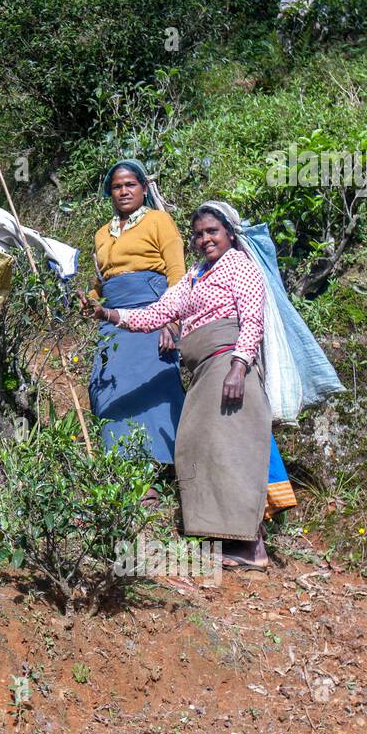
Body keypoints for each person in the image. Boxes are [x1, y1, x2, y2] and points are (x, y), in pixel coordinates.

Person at [95, 201, 276, 570]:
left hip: (228, 364)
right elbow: (156, 314)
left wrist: (239, 367)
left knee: (233, 450)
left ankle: (252, 546)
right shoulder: (195, 276)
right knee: (199, 446)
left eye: (212, 231)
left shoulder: (239, 265)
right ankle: (224, 538)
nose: (205, 239)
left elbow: (252, 319)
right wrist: (108, 313)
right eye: (198, 234)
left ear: (229, 233)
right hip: (204, 372)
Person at [86, 160, 187, 486]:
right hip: (113, 323)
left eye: (131, 184)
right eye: (117, 186)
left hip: (154, 315)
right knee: (109, 387)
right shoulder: (103, 233)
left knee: (156, 387)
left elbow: (177, 273)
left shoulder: (160, 221)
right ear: (110, 193)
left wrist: (171, 322)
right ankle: (126, 474)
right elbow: (101, 282)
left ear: (144, 188)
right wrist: (89, 299)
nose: (124, 191)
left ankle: (162, 472)